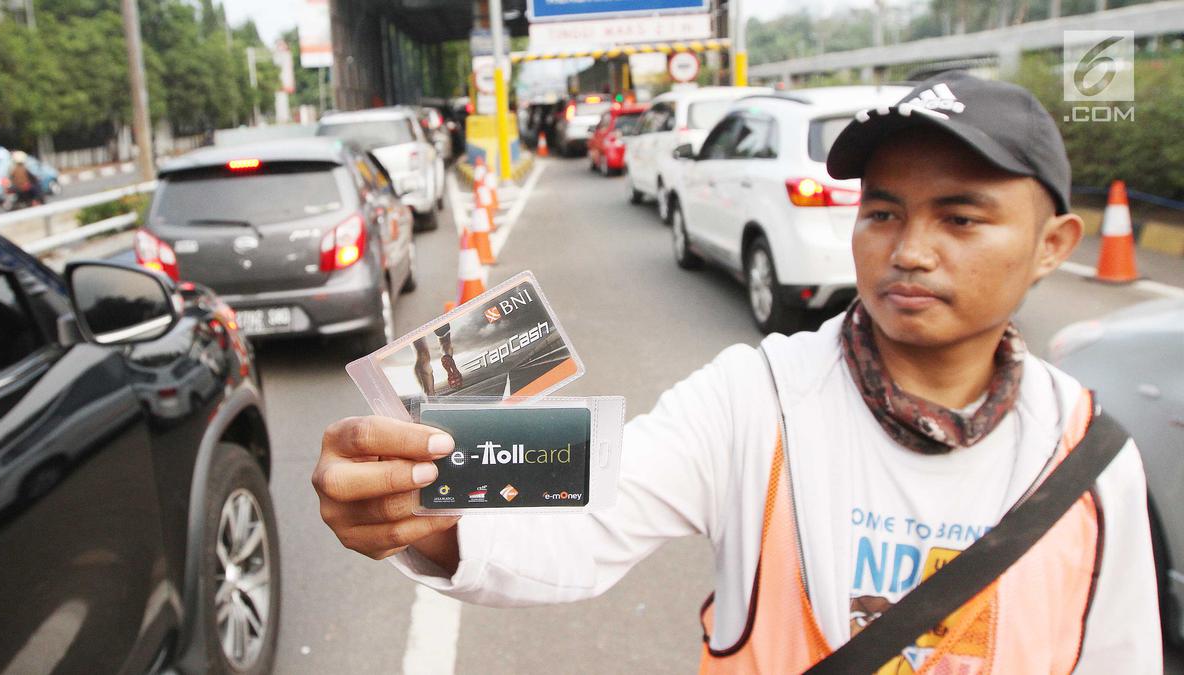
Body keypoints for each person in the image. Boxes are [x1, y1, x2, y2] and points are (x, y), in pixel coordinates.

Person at [311, 72, 1161, 672]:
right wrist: (420, 509)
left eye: (962, 217)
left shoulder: (1091, 451)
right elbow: (585, 521)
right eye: (882, 211)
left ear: (1054, 246)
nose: (909, 250)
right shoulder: (758, 397)